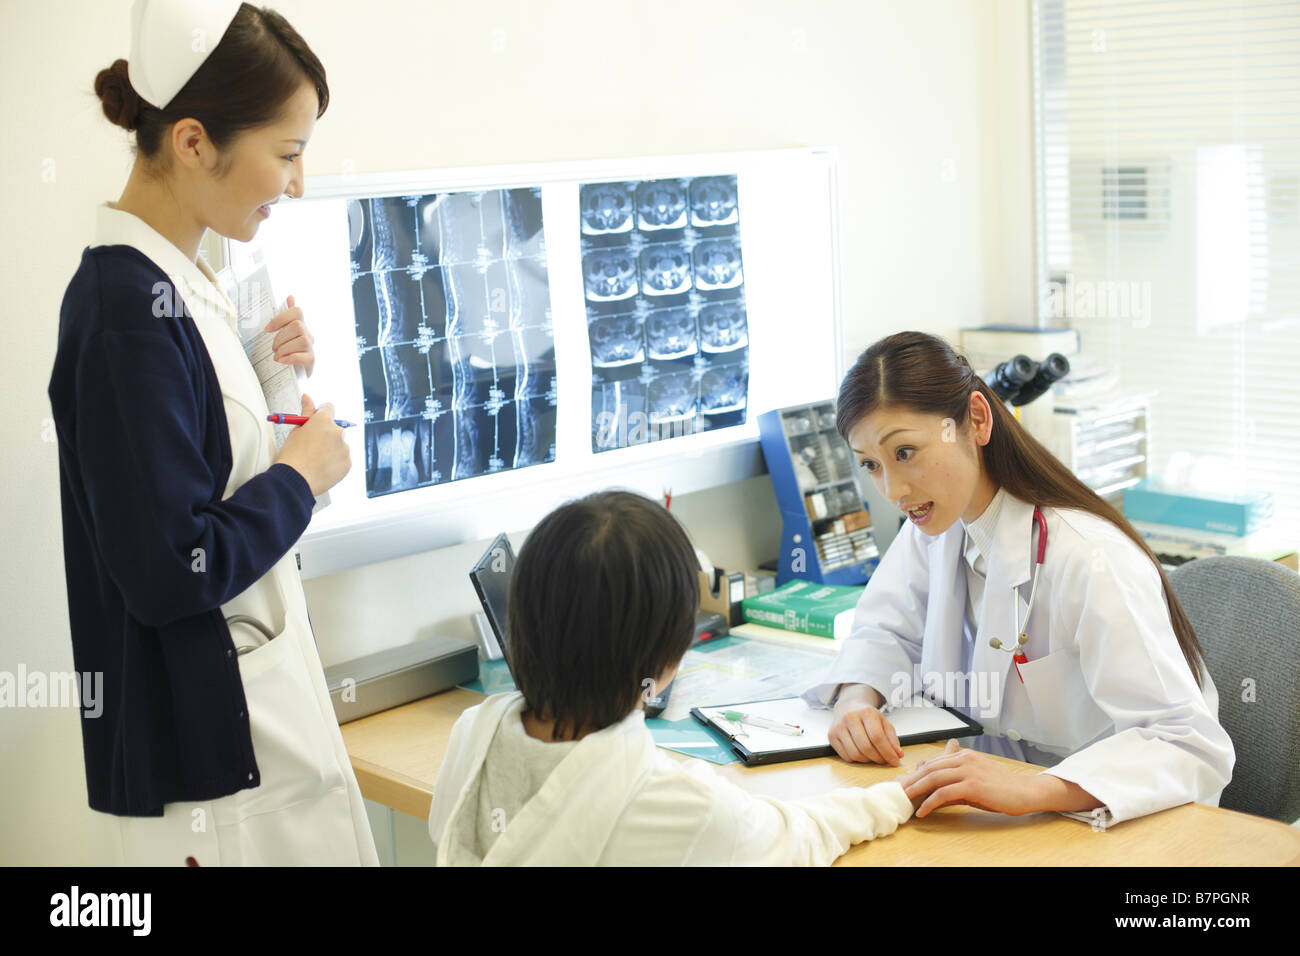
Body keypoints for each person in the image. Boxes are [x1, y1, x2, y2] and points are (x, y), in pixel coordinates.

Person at [47, 0, 377, 864]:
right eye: (288, 155)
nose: (298, 185)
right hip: (208, 776)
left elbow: (189, 471)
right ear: (193, 142)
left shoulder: (177, 283)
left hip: (254, 738)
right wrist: (300, 478)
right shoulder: (123, 310)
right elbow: (167, 569)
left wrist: (256, 370)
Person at [807, 331, 1235, 826]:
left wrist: (1034, 789)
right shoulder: (935, 526)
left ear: (978, 420)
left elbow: (1188, 745)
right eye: (870, 465)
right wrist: (857, 700)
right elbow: (886, 630)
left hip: (1103, 818)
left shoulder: (1090, 560)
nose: (893, 490)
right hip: (987, 810)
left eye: (905, 452)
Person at [427, 491, 916, 865]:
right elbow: (797, 837)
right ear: (670, 652)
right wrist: (897, 797)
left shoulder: (474, 732)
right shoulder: (676, 802)